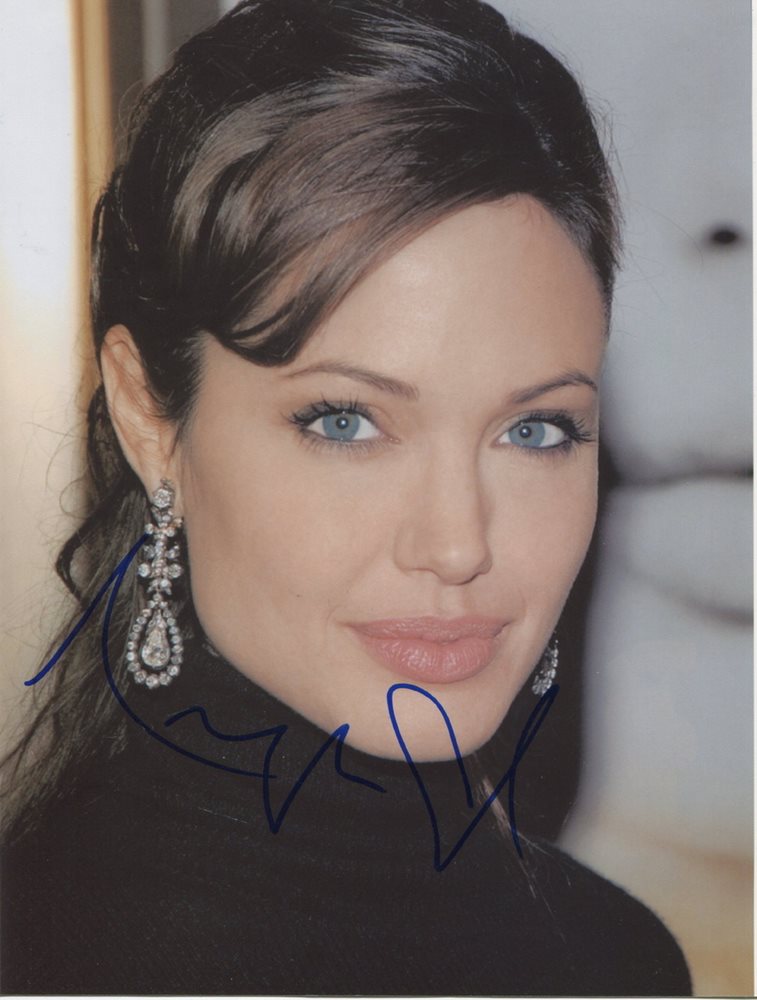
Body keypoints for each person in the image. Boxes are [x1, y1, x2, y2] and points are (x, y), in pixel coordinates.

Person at [1, 0, 691, 993]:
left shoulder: (617, 959)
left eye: (534, 430)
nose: (457, 543)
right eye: (345, 422)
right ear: (151, 418)